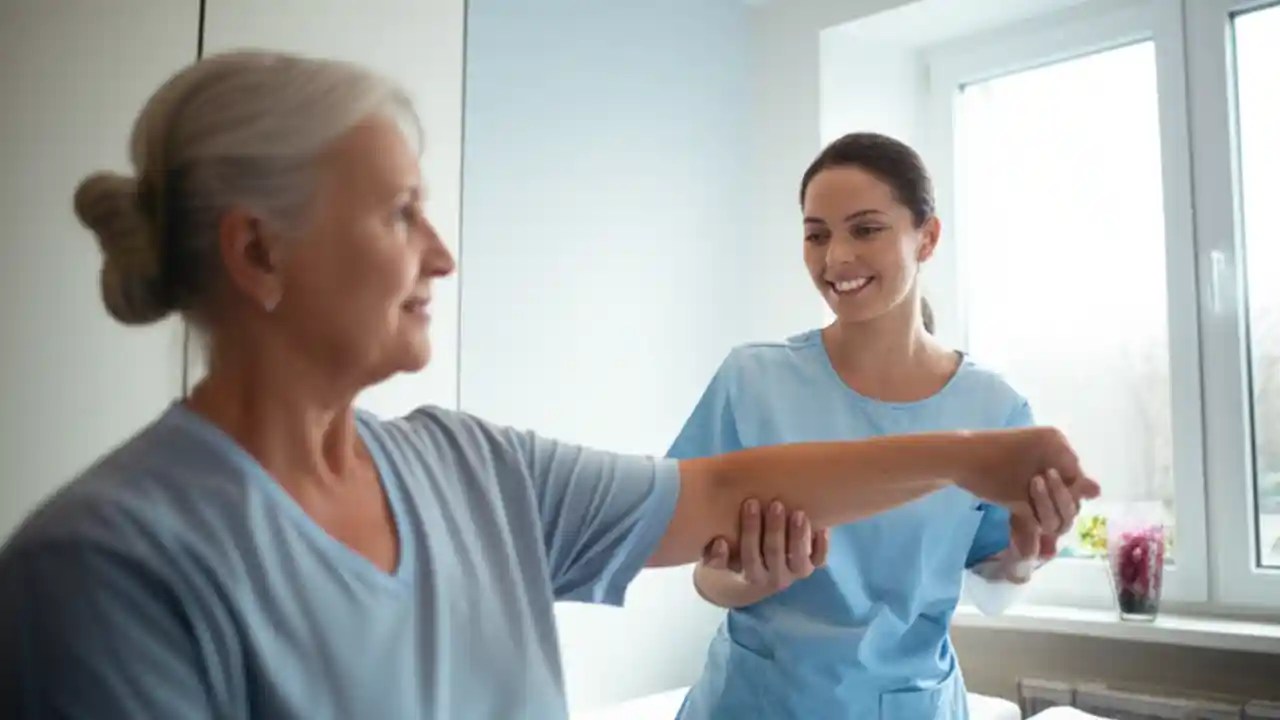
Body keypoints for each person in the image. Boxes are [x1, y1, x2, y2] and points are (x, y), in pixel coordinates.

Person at [0, 55, 1096, 720]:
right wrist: (950, 462)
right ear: (258, 255)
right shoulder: (102, 569)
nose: (442, 254)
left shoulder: (470, 466)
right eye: (396, 214)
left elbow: (710, 493)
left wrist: (967, 455)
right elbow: (719, 523)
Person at [671, 132, 1080, 719]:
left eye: (865, 229)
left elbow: (994, 580)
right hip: (755, 700)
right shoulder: (752, 381)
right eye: (817, 235)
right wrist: (755, 581)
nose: (835, 257)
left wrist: (1026, 552)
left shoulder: (994, 409)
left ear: (928, 237)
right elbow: (706, 575)